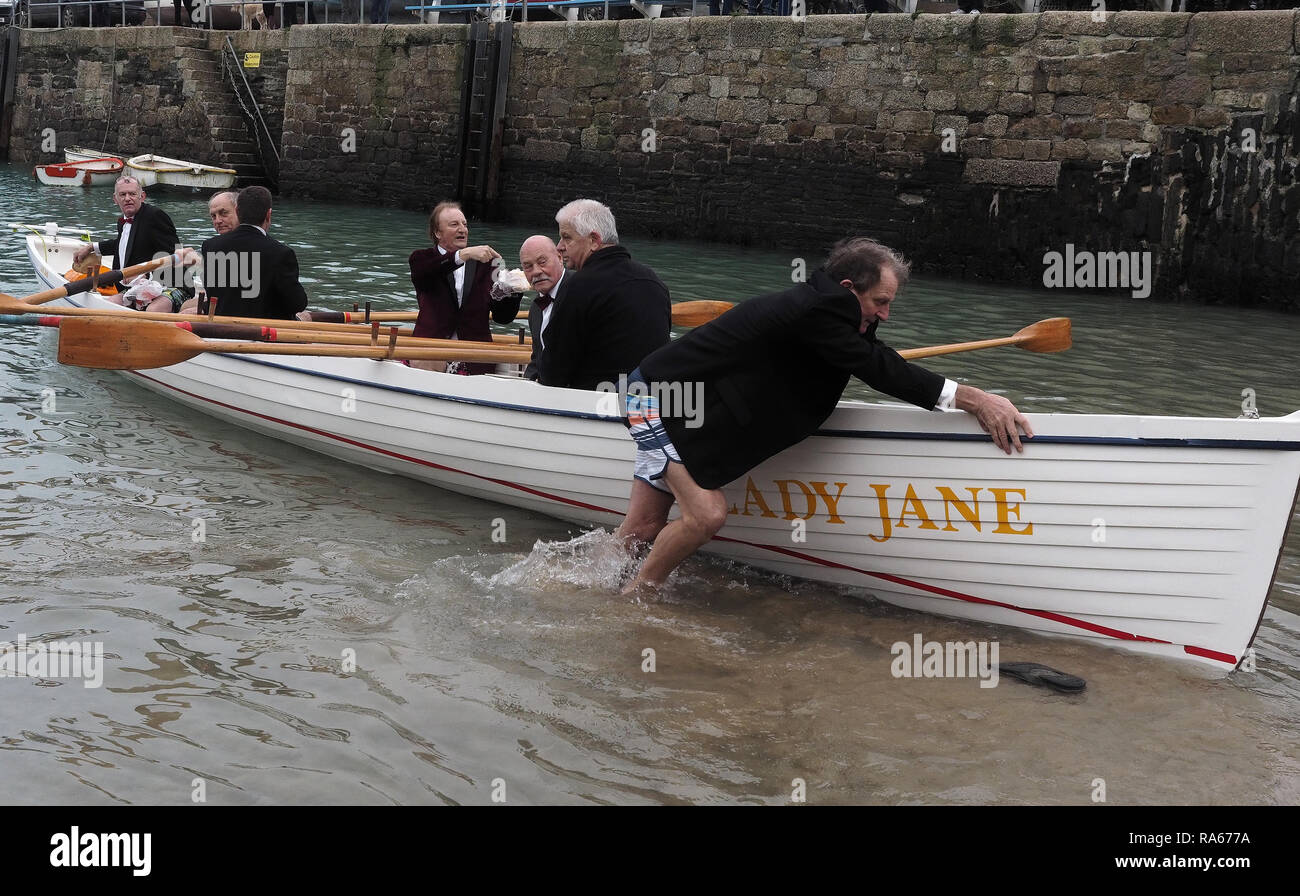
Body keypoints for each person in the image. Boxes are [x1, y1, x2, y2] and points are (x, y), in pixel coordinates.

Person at [615, 236, 1033, 593]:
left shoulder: (834, 313)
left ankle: (592, 579)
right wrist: (975, 399)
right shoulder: (819, 311)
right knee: (706, 514)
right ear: (849, 287)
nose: (885, 314)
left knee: (642, 529)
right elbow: (881, 370)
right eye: (880, 302)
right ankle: (637, 597)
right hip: (655, 398)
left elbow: (873, 356)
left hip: (664, 394)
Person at [536, 199, 671, 391]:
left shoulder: (578, 286)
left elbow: (553, 372)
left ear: (593, 241)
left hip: (594, 400)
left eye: (567, 238)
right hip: (650, 402)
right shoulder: (654, 282)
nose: (559, 247)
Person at [408, 201, 513, 374]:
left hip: (475, 358)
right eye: (454, 224)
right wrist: (463, 255)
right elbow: (426, 273)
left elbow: (503, 316)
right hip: (430, 355)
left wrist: (512, 288)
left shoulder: (487, 265)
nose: (462, 229)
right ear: (437, 232)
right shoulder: (421, 259)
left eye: (465, 224)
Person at [72, 175, 185, 313]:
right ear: (115, 199)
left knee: (153, 310)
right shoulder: (123, 222)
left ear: (142, 196)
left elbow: (175, 256)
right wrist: (91, 247)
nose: (127, 198)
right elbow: (121, 244)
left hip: (172, 285)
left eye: (132, 194)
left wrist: (146, 274)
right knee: (110, 304)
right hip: (136, 287)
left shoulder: (155, 216)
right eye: (122, 194)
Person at [198, 185, 308, 320]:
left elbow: (214, 293)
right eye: (213, 216)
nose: (218, 221)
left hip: (223, 329)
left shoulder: (210, 246)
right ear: (268, 214)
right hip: (265, 333)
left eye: (223, 213)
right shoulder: (281, 252)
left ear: (238, 211)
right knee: (305, 316)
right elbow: (297, 304)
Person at [492, 235, 568, 381]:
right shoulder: (535, 308)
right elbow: (538, 360)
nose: (536, 271)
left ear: (559, 257)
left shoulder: (580, 292)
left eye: (542, 262)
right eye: (528, 266)